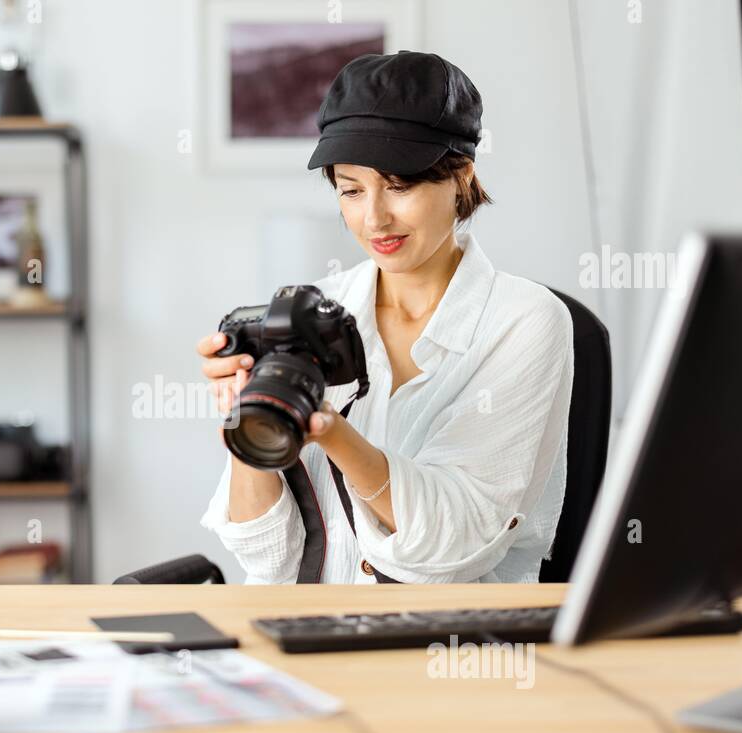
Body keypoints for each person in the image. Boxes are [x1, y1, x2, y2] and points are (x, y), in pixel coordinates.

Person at [198, 51, 574, 585]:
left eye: (399, 186)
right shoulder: (310, 312)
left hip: (455, 649)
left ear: (461, 175)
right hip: (310, 634)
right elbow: (267, 560)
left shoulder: (526, 322)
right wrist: (248, 420)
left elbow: (455, 544)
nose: (374, 218)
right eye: (351, 190)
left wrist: (331, 433)